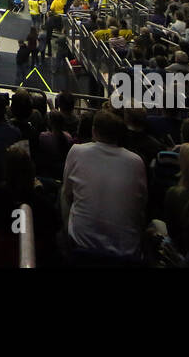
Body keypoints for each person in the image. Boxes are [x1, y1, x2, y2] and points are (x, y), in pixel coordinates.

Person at [60, 109, 147, 265]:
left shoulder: (77, 151)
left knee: (63, 193)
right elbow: (141, 207)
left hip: (82, 248)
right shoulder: (136, 161)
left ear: (94, 131)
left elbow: (67, 194)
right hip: (127, 254)